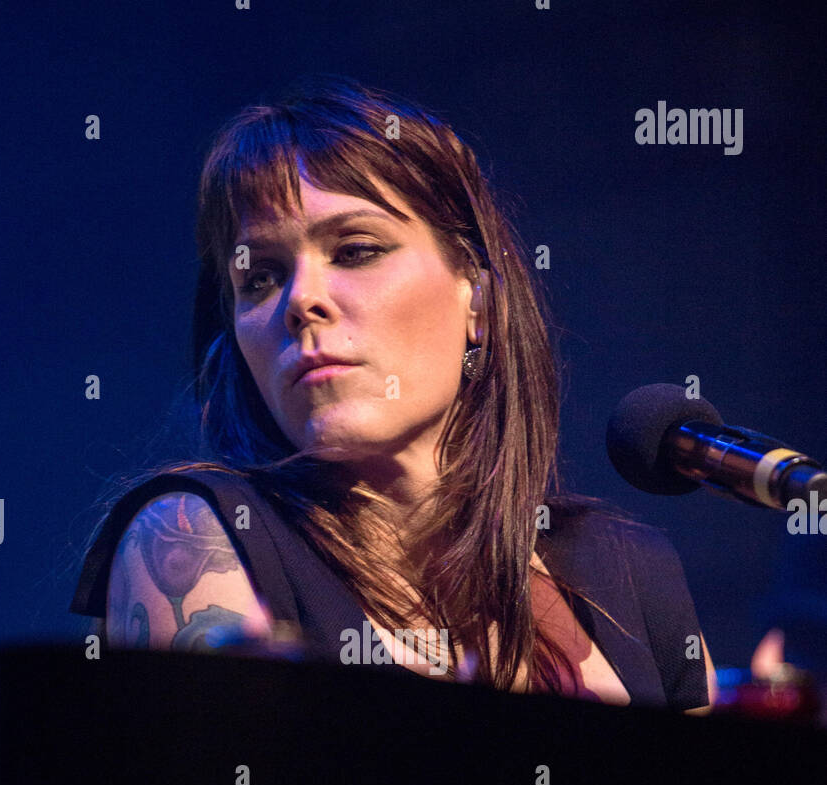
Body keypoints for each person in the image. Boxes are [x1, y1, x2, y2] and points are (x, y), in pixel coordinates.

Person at [72, 74, 718, 714]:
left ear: (480, 301)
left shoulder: (629, 570)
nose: (301, 301)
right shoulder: (195, 535)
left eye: (355, 250)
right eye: (261, 277)